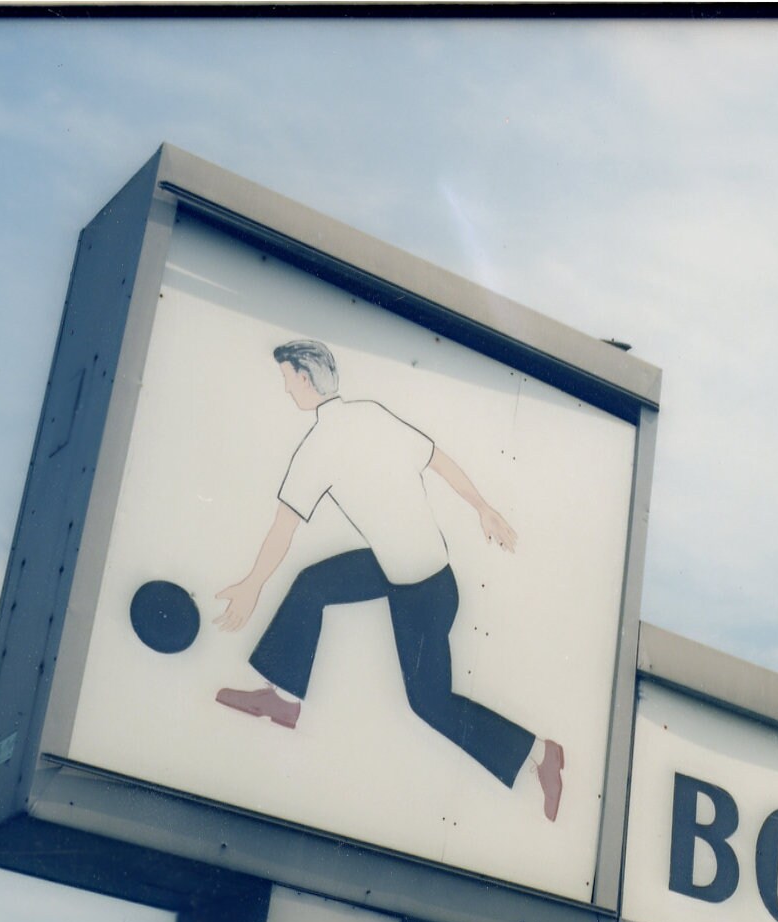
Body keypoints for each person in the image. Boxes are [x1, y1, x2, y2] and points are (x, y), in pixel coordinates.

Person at [214, 338, 565, 821]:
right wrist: (482, 508)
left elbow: (284, 525)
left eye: (287, 378)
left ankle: (539, 754)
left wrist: (253, 584)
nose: (285, 388)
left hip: (420, 591)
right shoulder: (370, 414)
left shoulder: (321, 445)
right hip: (407, 571)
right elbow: (437, 458)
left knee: (430, 703)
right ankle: (285, 698)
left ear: (307, 379)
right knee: (313, 583)